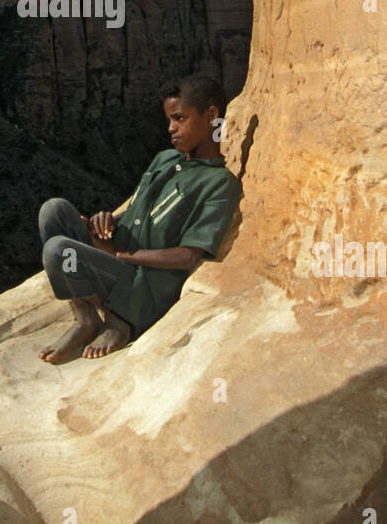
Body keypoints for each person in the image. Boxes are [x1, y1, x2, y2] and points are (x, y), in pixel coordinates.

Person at [37, 73, 242, 362]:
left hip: (139, 283)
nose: (171, 128)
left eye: (180, 118)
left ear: (211, 116)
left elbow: (188, 256)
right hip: (116, 258)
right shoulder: (165, 159)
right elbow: (138, 211)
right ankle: (85, 319)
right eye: (169, 120)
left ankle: (120, 321)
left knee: (58, 251)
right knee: (54, 211)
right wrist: (108, 222)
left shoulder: (219, 184)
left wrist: (121, 255)